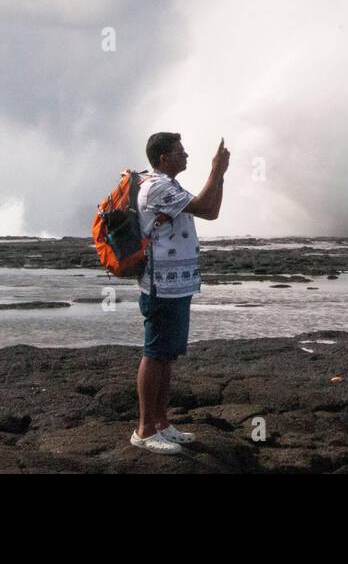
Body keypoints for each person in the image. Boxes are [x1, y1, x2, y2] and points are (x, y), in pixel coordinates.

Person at [129, 131, 230, 455]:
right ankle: (144, 430)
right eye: (179, 151)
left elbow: (210, 211)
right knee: (155, 353)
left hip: (178, 284)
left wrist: (221, 175)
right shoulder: (156, 186)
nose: (186, 155)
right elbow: (203, 206)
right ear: (162, 158)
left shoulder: (170, 185)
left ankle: (161, 423)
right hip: (160, 284)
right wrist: (215, 170)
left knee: (168, 355)